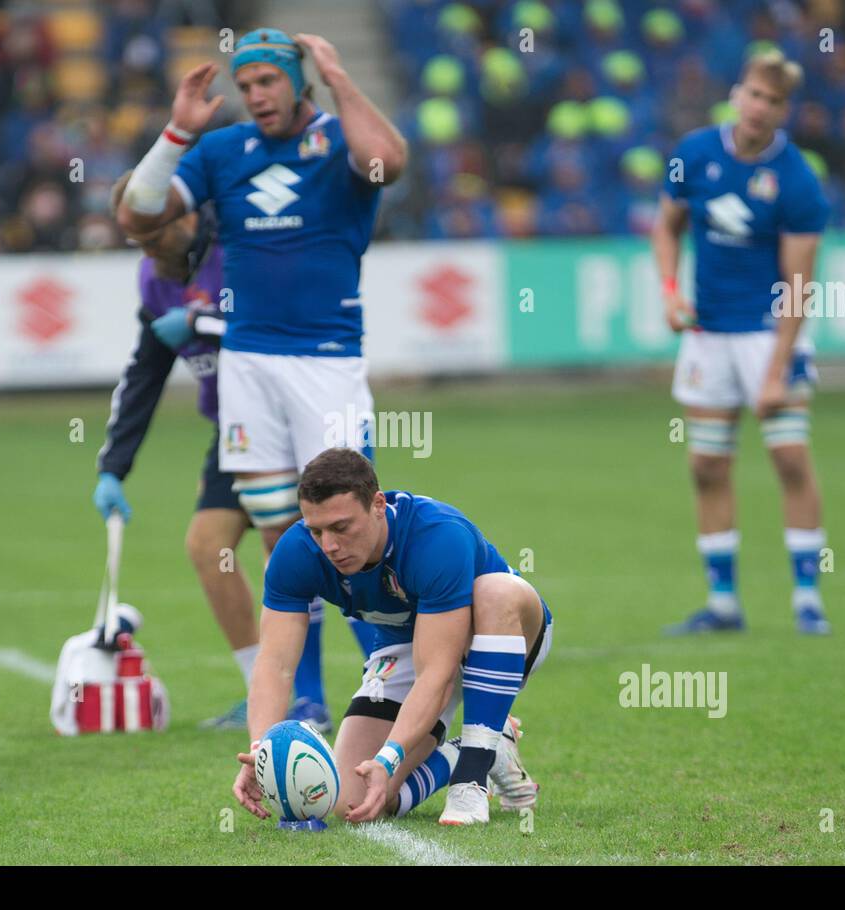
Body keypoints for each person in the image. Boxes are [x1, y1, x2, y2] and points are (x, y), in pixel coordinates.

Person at [115, 29, 405, 725]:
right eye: (245, 88)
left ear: (297, 81)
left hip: (326, 361)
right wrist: (178, 134)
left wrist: (341, 80)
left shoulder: (337, 140)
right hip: (249, 364)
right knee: (284, 536)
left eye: (267, 83)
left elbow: (387, 163)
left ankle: (391, 684)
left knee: (354, 534)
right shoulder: (221, 151)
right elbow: (137, 214)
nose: (255, 97)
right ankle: (305, 698)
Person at [94, 174, 334, 730]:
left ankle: (312, 698)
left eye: (154, 236)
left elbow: (277, 327)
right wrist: (113, 468)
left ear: (183, 214)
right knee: (208, 547)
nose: (150, 253)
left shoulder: (239, 252)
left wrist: (202, 322)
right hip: (233, 433)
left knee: (290, 549)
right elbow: (145, 373)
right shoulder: (154, 280)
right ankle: (262, 691)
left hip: (288, 422)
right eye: (138, 242)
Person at [231, 448, 550, 827]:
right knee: (350, 800)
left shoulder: (436, 536)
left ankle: (472, 775)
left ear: (378, 504)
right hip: (409, 644)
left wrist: (391, 756)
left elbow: (438, 673)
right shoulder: (297, 552)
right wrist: (261, 751)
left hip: (502, 632)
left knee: (494, 590)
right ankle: (489, 748)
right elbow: (275, 663)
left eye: (341, 527)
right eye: (317, 530)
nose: (329, 546)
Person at [651, 49, 832, 636]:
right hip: (708, 334)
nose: (760, 108)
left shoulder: (798, 180)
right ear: (737, 94)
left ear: (785, 110)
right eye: (754, 94)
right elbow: (666, 225)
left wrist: (778, 369)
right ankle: (723, 603)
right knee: (706, 464)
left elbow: (798, 284)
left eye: (774, 101)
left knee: (789, 457)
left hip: (766, 333)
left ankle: (807, 596)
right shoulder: (692, 153)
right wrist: (672, 291)